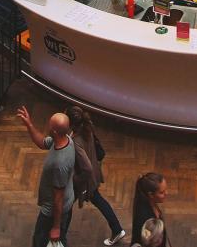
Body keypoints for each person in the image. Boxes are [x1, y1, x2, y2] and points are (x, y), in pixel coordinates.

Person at [64, 104, 125, 245]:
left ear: (71, 123)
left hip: (84, 181)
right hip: (92, 177)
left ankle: (60, 238)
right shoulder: (87, 128)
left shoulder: (76, 142)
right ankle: (117, 229)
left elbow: (86, 168)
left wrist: (75, 180)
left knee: (66, 206)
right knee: (94, 200)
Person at [17, 106, 75, 247]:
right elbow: (42, 143)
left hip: (53, 211)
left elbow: (58, 197)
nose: (48, 126)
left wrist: (56, 227)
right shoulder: (65, 139)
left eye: (50, 125)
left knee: (41, 241)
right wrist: (29, 124)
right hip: (62, 205)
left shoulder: (59, 163)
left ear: (54, 131)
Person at [131, 172, 169, 247]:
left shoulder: (150, 202)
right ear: (151, 194)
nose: (166, 193)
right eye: (162, 192)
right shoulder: (144, 218)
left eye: (166, 190)